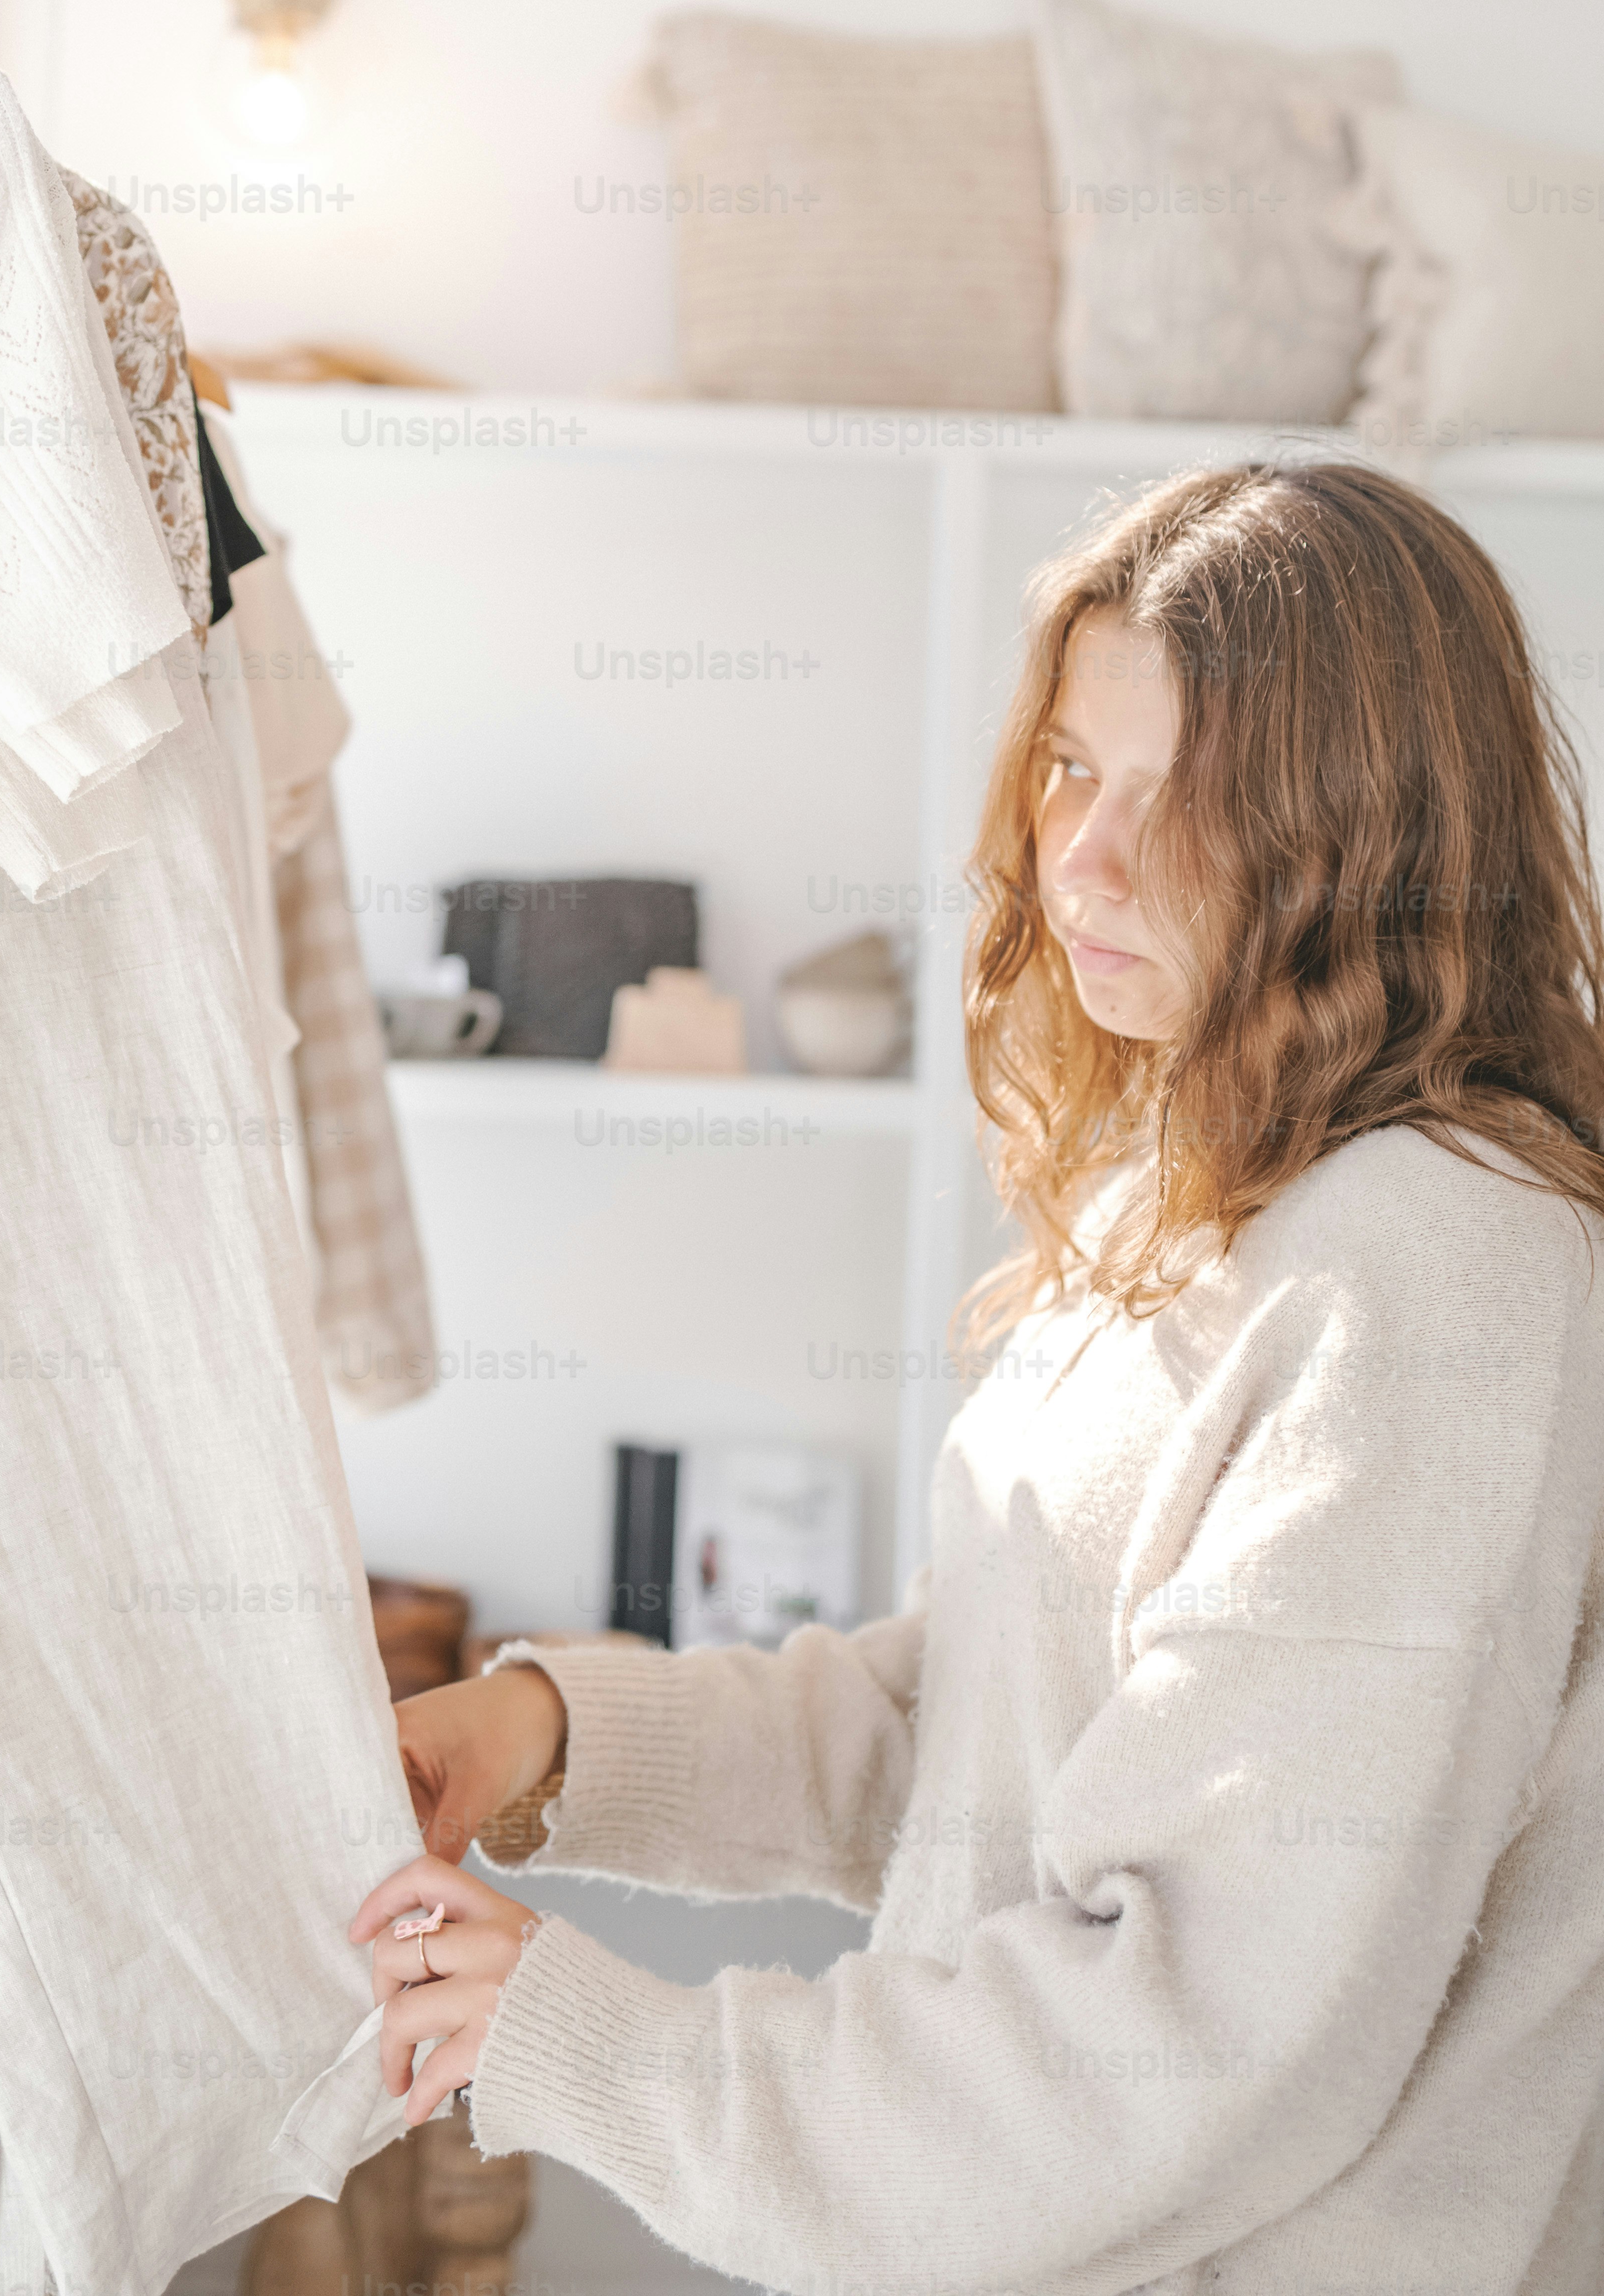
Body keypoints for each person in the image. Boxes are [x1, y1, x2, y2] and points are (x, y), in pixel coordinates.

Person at [350, 458, 1604, 2296]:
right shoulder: (1215, 1185)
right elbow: (978, 1746)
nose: (1075, 856)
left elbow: (1192, 2028)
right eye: (1074, 766)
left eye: (1189, 800)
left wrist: (601, 2051)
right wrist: (547, 1743)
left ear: (1370, 839)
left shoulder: (1432, 1271)